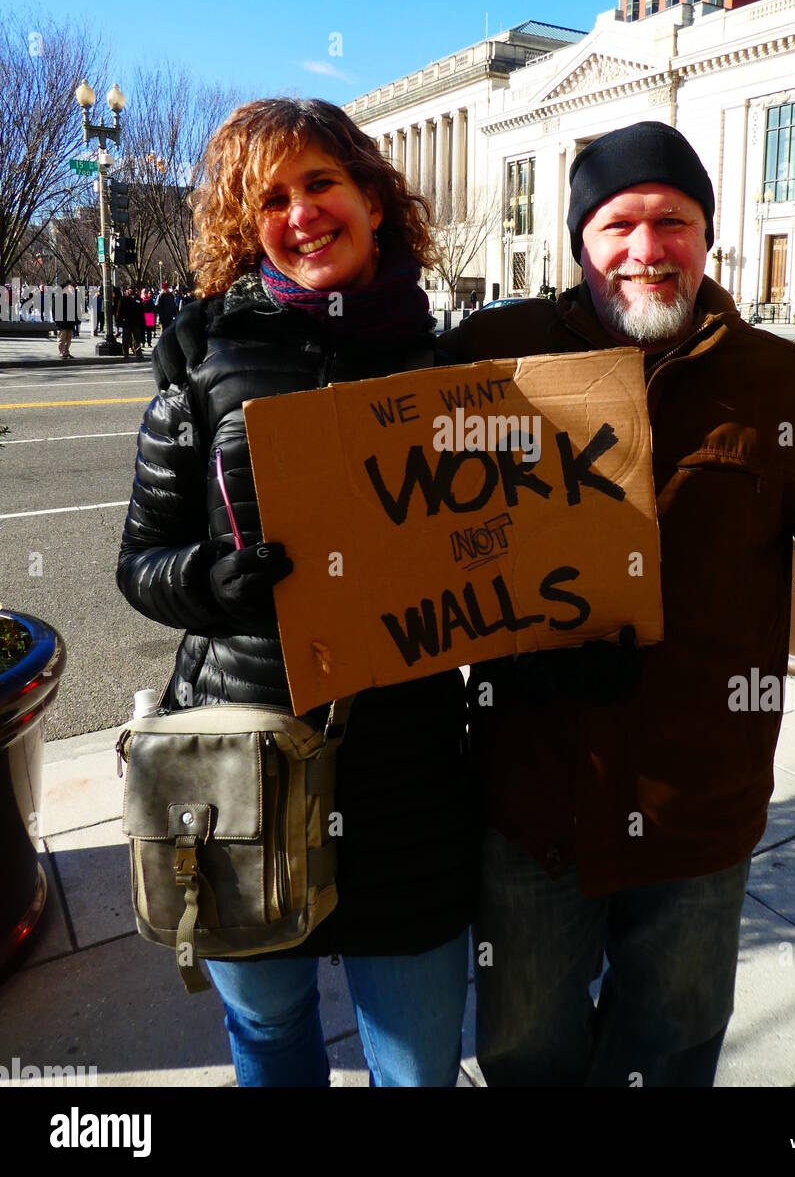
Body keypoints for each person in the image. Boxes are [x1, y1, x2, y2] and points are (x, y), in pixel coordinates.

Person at [440, 120, 795, 1087]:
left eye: (673, 222)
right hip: (535, 797)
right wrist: (237, 340)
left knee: (669, 1053)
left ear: (708, 237)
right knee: (525, 1052)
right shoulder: (493, 356)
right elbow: (372, 461)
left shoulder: (783, 388)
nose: (648, 250)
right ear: (580, 243)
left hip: (698, 805)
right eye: (618, 225)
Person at [116, 97, 475, 1088]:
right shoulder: (204, 366)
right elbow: (140, 559)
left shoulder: (452, 367)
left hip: (409, 782)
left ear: (370, 194)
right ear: (248, 224)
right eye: (271, 198)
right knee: (271, 1041)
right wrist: (210, 582)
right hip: (247, 764)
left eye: (320, 182)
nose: (302, 213)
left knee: (418, 1065)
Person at [116, 287, 145, 361]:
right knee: (125, 339)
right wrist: (119, 321)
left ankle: (138, 352)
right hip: (127, 322)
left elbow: (141, 311)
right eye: (129, 290)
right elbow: (119, 311)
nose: (131, 291)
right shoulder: (123, 299)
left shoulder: (138, 299)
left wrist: (142, 321)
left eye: (132, 290)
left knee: (137, 339)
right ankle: (125, 353)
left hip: (136, 322)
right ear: (127, 291)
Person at [54, 283, 80, 360]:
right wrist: (57, 321)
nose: (71, 290)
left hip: (70, 322)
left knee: (68, 339)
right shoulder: (58, 297)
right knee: (62, 339)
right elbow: (55, 310)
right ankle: (61, 352)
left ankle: (66, 351)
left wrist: (76, 320)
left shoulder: (72, 298)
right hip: (62, 322)